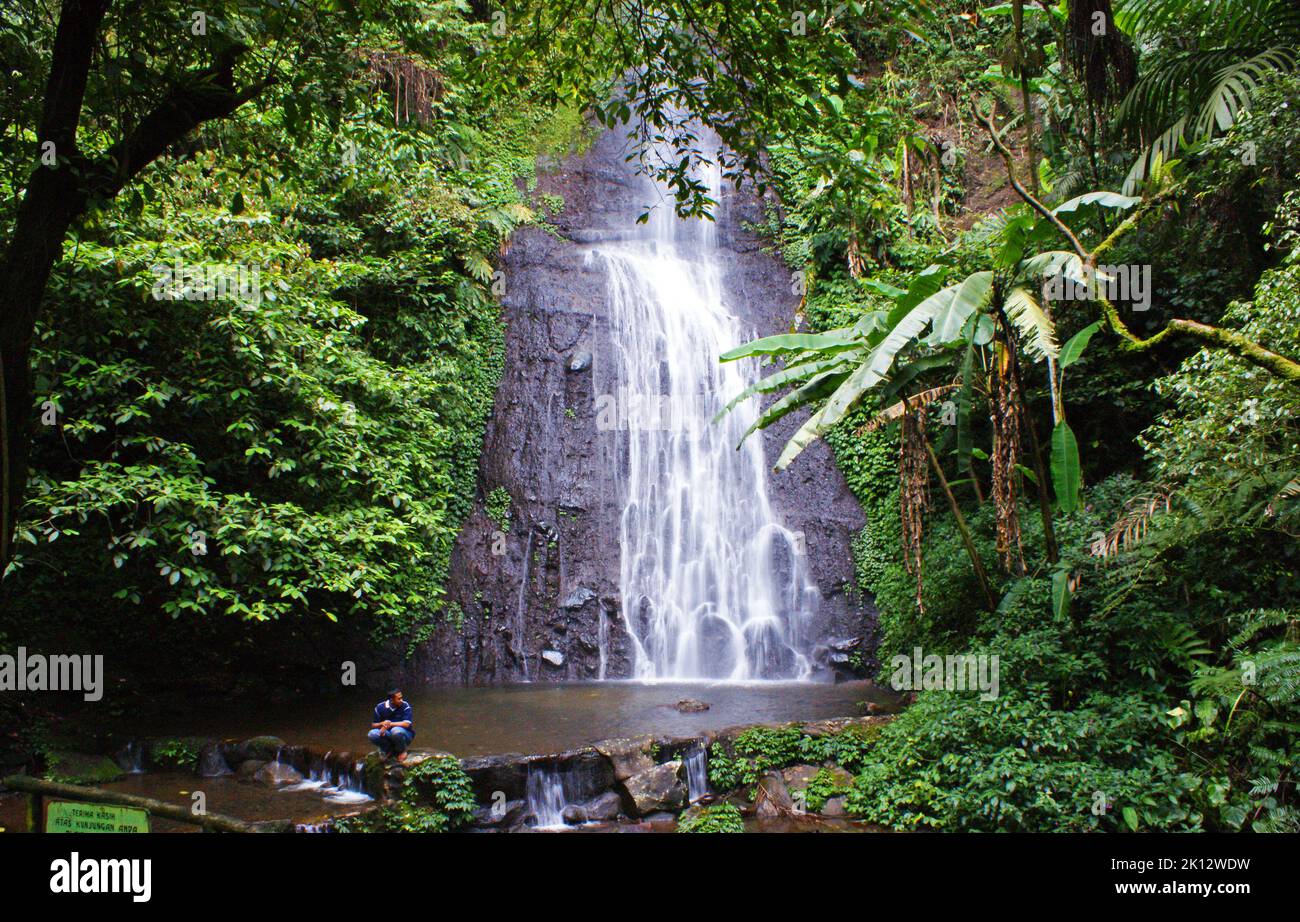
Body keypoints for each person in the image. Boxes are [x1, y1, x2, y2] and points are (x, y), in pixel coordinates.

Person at [368, 688, 415, 762]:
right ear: (392, 700)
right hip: (388, 733)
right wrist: (382, 724)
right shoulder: (380, 707)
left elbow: (406, 724)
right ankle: (388, 749)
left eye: (401, 697)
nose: (401, 700)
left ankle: (402, 750)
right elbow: (374, 724)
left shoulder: (405, 706)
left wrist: (389, 724)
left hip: (404, 735)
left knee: (395, 731)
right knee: (372, 734)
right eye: (399, 699)